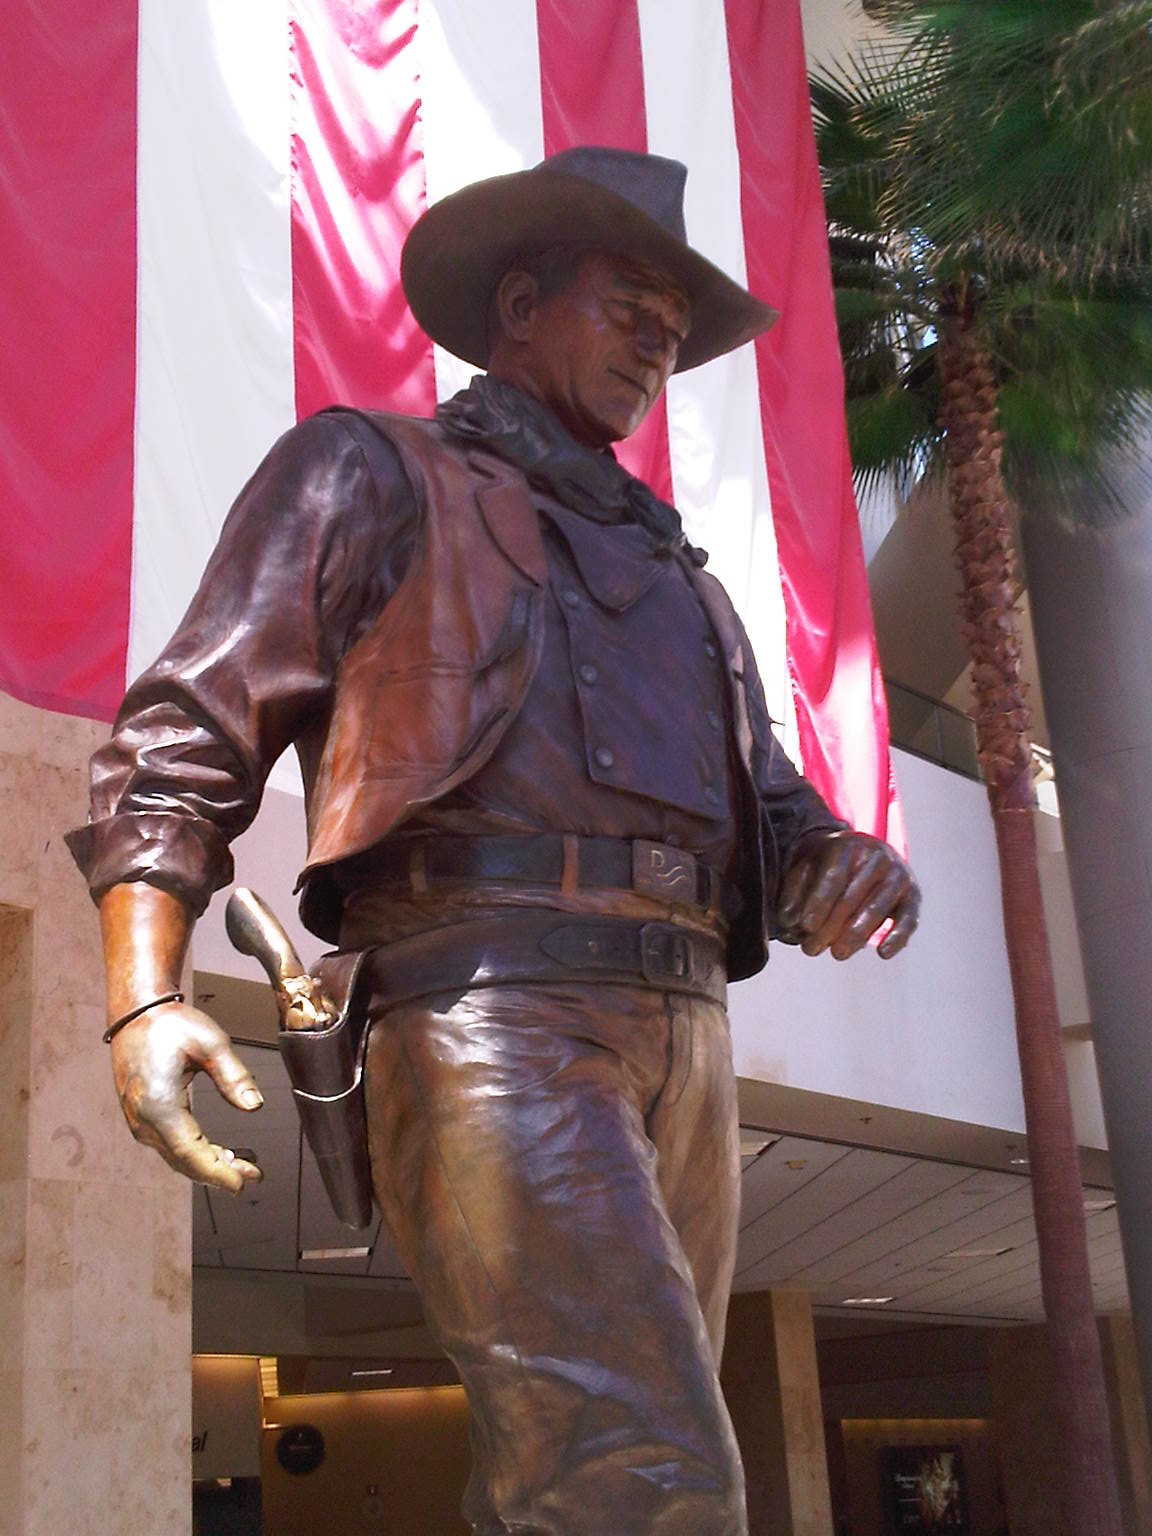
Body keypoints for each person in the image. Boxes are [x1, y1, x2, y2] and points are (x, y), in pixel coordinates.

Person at [68, 147, 919, 1534]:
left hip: (687, 1037)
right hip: (490, 1015)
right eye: (631, 305)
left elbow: (772, 807)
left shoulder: (684, 581)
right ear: (519, 302)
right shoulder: (369, 470)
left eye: (675, 331)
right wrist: (142, 992)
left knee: (584, 1481)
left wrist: (834, 856)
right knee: (644, 1483)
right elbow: (182, 735)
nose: (660, 344)